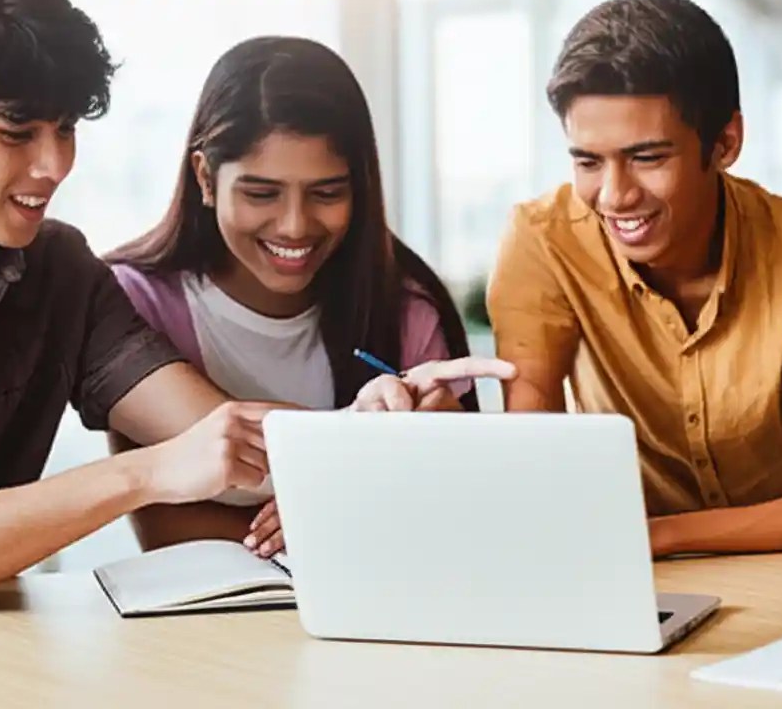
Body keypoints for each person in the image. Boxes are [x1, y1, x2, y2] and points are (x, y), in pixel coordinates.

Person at [0, 0, 276, 610]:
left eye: (66, 129)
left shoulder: (60, 269)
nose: (53, 165)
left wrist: (367, 428)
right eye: (15, 133)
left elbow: (214, 436)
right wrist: (144, 474)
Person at [485, 0, 782, 557]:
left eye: (647, 158)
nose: (614, 196)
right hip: (637, 573)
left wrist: (664, 535)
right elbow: (535, 458)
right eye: (587, 161)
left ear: (725, 143)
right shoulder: (543, 240)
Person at [106, 37, 513, 558]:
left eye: (327, 193)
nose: (295, 226)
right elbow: (169, 527)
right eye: (261, 193)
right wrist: (357, 492)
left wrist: (445, 461)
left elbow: (450, 519)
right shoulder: (136, 300)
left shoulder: (405, 307)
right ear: (205, 177)